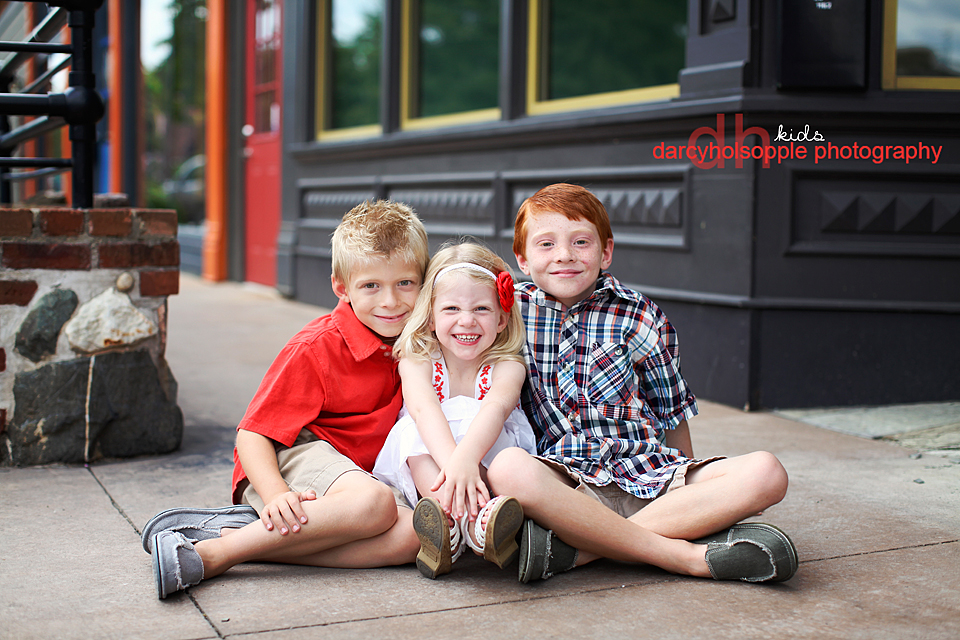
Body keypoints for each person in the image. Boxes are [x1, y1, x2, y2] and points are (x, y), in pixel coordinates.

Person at [486, 183, 798, 584]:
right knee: (509, 468)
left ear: (606, 252)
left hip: (649, 473)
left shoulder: (638, 315)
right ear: (522, 260)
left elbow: (672, 412)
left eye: (581, 242)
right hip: (570, 484)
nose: (564, 255)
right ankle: (682, 553)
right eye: (546, 244)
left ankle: (579, 552)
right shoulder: (511, 316)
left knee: (767, 472)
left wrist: (691, 490)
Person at [141, 200, 429, 598]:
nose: (391, 302)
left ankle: (246, 535)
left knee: (414, 536)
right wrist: (275, 493)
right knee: (376, 504)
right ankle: (215, 553)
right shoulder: (317, 347)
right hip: (291, 455)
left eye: (405, 283)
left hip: (347, 480)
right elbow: (251, 435)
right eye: (371, 286)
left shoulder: (417, 342)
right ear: (341, 287)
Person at [373, 242, 536, 579]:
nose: (467, 321)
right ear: (430, 317)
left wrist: (466, 461)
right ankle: (447, 522)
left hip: (484, 465)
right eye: (451, 309)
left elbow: (496, 407)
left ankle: (477, 528)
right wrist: (454, 464)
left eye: (481, 309)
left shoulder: (507, 364)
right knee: (414, 435)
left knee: (497, 443)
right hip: (436, 468)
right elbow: (422, 408)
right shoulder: (418, 360)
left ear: (502, 318)